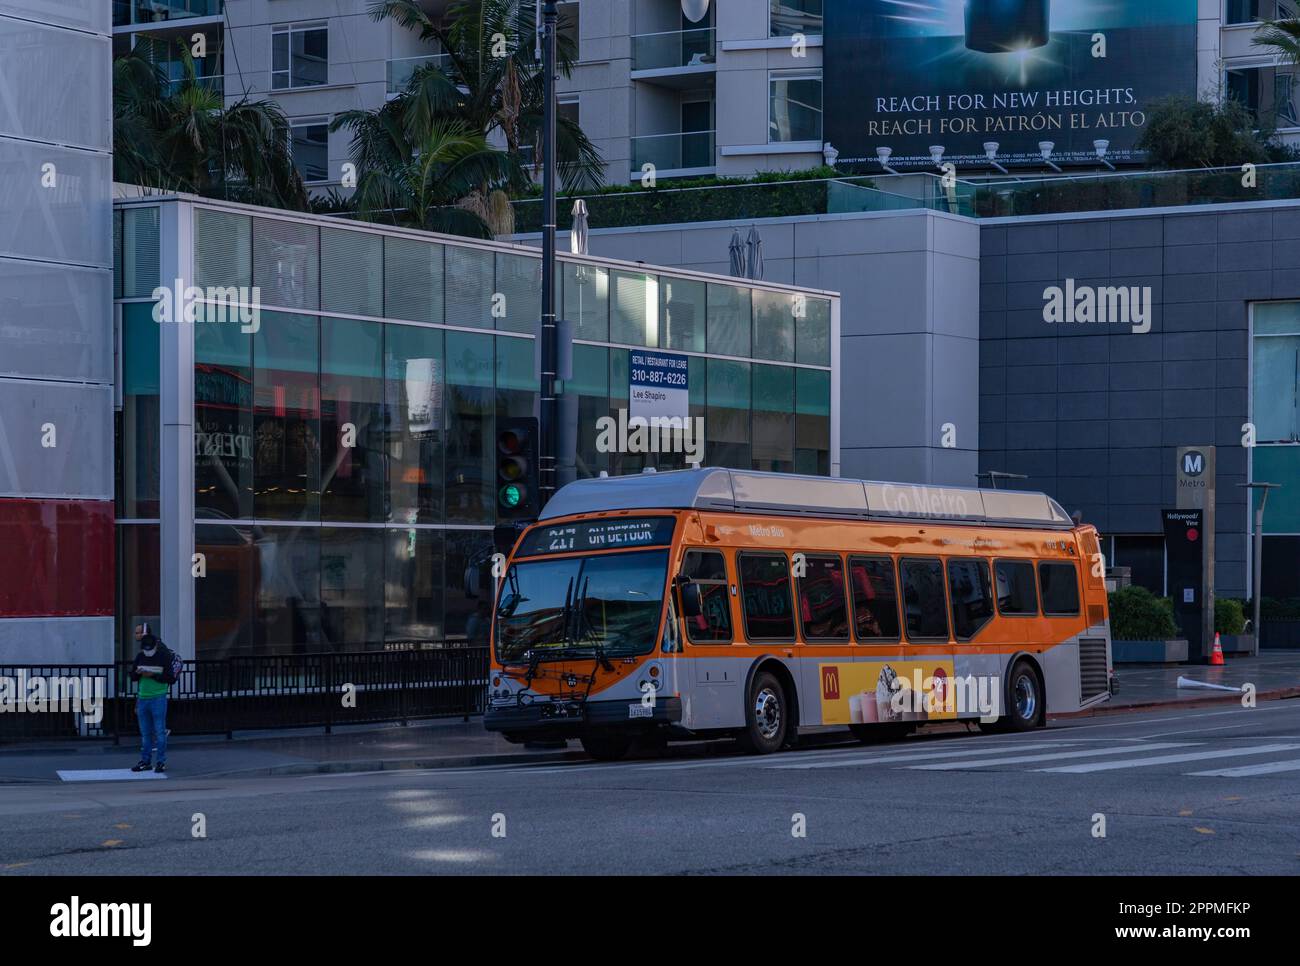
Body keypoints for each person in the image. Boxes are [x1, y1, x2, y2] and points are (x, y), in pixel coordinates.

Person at [129, 623, 175, 774]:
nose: (147, 652)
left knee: (159, 731)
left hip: (158, 697)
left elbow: (170, 678)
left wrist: (153, 674)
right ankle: (146, 761)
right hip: (143, 697)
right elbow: (133, 676)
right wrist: (139, 672)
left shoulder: (163, 655)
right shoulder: (140, 656)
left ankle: (160, 762)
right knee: (146, 733)